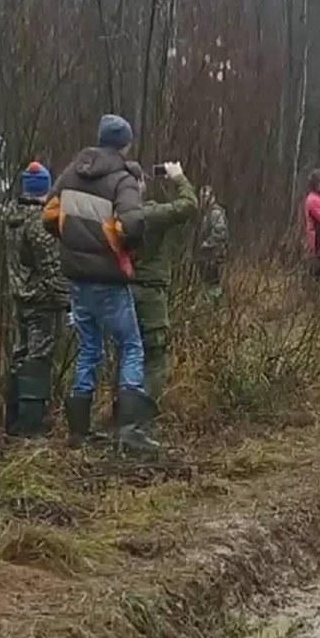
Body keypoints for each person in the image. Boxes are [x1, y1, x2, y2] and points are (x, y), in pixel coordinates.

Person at [43, 113, 155, 453]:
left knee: (89, 350)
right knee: (131, 346)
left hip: (77, 278)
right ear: (125, 144)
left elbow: (49, 215)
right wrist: (118, 246)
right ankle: (131, 430)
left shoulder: (71, 172)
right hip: (108, 278)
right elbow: (133, 226)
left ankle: (79, 432)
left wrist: (75, 241)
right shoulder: (122, 179)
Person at [127, 161, 199, 437]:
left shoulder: (111, 215)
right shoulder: (148, 215)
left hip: (122, 292)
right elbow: (188, 205)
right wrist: (178, 177)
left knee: (128, 354)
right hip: (150, 293)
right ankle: (141, 424)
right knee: (154, 357)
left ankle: (123, 418)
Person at [6, 162, 69, 437]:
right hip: (41, 301)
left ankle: (13, 421)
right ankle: (31, 427)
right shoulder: (41, 225)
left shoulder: (11, 216)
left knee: (19, 357)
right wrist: (67, 301)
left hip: (19, 297)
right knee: (38, 359)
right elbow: (52, 269)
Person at [197, 185, 228, 301]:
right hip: (208, 256)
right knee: (208, 283)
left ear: (211, 197)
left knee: (214, 283)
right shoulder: (206, 213)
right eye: (201, 197)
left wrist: (207, 243)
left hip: (215, 255)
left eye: (205, 196)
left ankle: (216, 306)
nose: (202, 199)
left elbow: (220, 232)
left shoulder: (215, 212)